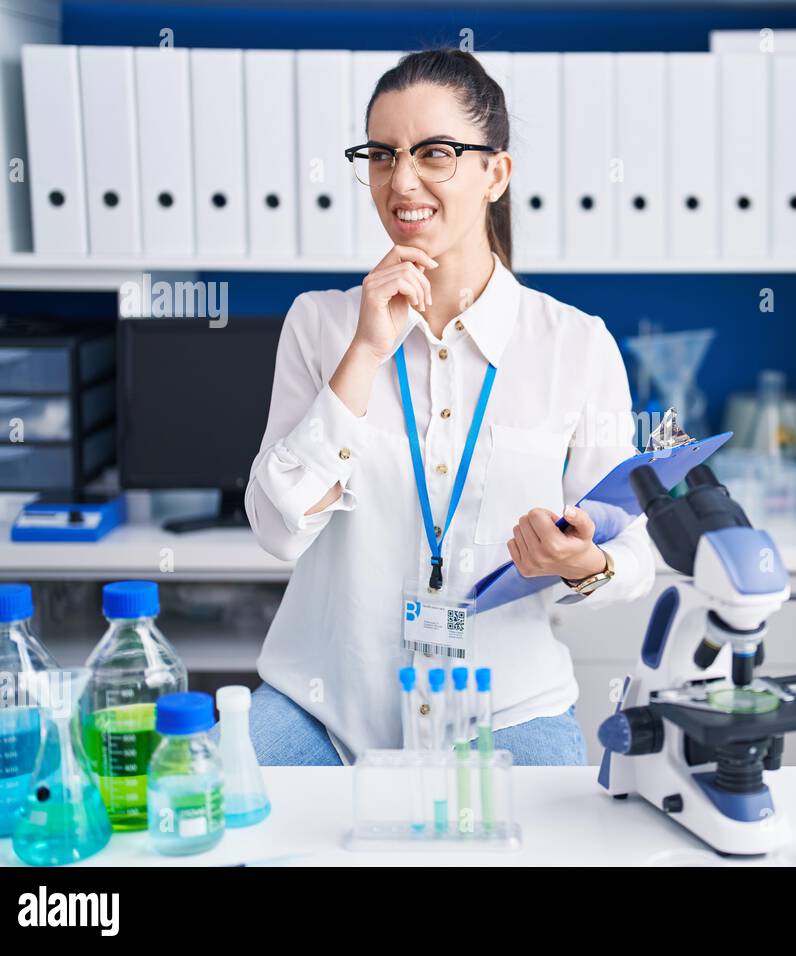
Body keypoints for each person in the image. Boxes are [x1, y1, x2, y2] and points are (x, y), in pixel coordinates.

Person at [245, 49, 655, 766]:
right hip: (323, 710)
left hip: (506, 709)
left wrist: (580, 559)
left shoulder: (576, 345)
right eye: (381, 155)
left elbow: (635, 550)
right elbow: (277, 530)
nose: (401, 181)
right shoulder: (320, 325)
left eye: (435, 153)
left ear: (496, 173)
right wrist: (366, 354)